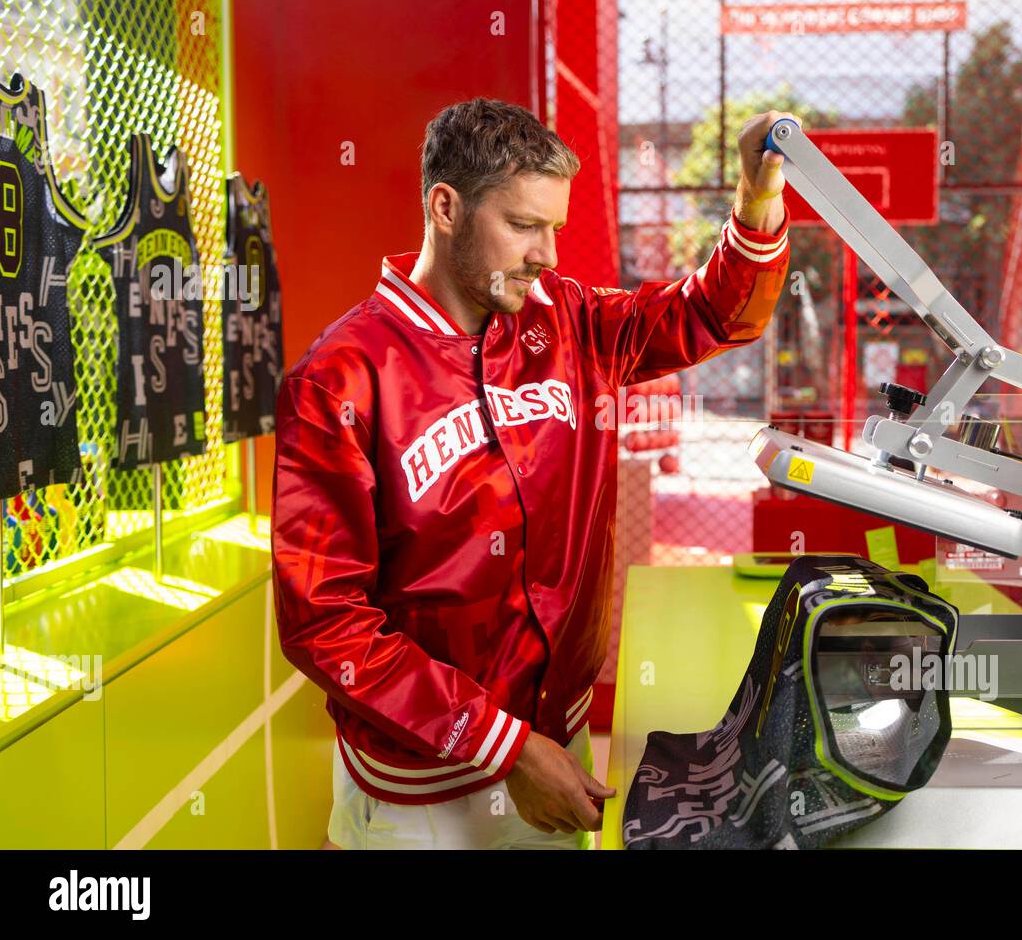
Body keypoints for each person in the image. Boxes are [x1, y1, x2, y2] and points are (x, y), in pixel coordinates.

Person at [271, 97, 796, 849]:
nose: (547, 253)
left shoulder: (570, 319)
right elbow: (324, 618)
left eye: (554, 227)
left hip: (556, 746)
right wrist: (501, 746)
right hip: (421, 791)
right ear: (445, 207)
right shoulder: (339, 379)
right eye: (523, 226)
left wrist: (758, 197)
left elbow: (713, 314)